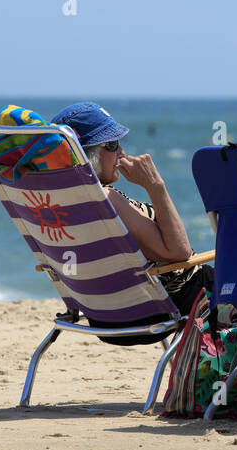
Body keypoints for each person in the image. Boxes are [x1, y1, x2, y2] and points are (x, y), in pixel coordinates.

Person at [51, 102, 212, 316]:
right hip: (181, 297)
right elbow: (179, 252)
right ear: (86, 154)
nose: (121, 152)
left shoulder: (54, 200)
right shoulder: (104, 198)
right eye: (112, 145)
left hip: (101, 312)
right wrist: (155, 186)